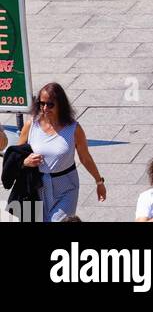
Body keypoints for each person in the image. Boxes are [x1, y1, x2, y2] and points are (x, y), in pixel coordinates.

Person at [17, 81, 105, 222]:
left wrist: (99, 182)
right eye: (41, 103)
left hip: (66, 186)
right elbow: (16, 156)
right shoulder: (31, 125)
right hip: (37, 186)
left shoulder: (74, 129)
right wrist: (25, 162)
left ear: (60, 104)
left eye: (50, 104)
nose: (45, 108)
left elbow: (85, 158)